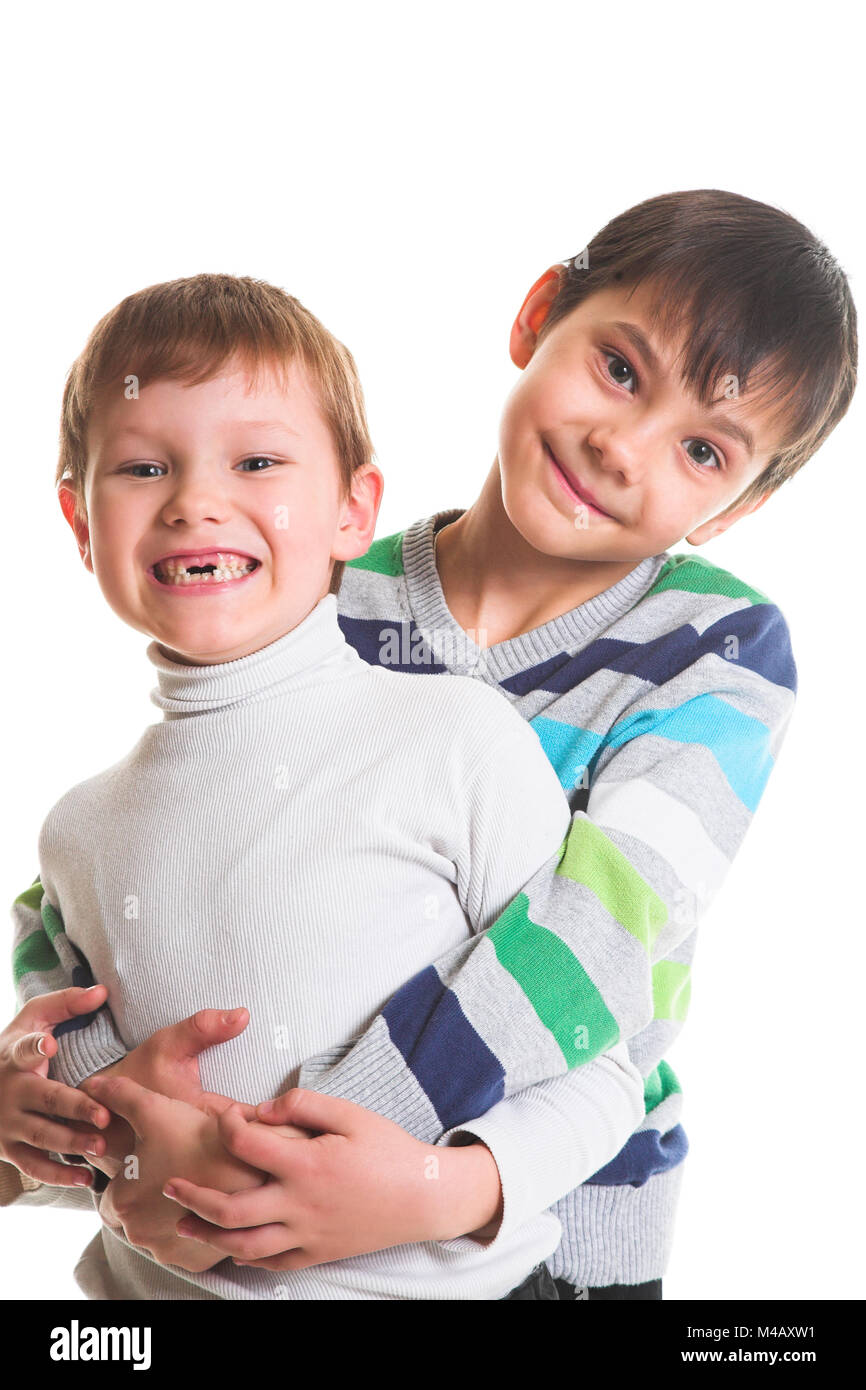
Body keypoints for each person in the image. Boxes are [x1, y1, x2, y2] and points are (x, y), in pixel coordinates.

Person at [3, 186, 856, 1298]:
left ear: (736, 505)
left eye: (700, 448)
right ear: (538, 312)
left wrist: (364, 1150)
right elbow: (161, 862)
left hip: (550, 1213)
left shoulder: (718, 647)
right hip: (228, 1231)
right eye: (618, 369)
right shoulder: (318, 581)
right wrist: (99, 1104)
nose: (618, 445)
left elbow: (597, 933)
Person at [0, 272, 645, 1300]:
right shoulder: (77, 832)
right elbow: (89, 1142)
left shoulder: (454, 739)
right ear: (80, 522)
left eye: (256, 460)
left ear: (353, 509)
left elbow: (602, 1073)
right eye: (142, 466)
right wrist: (32, 1133)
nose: (195, 500)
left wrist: (436, 1189)